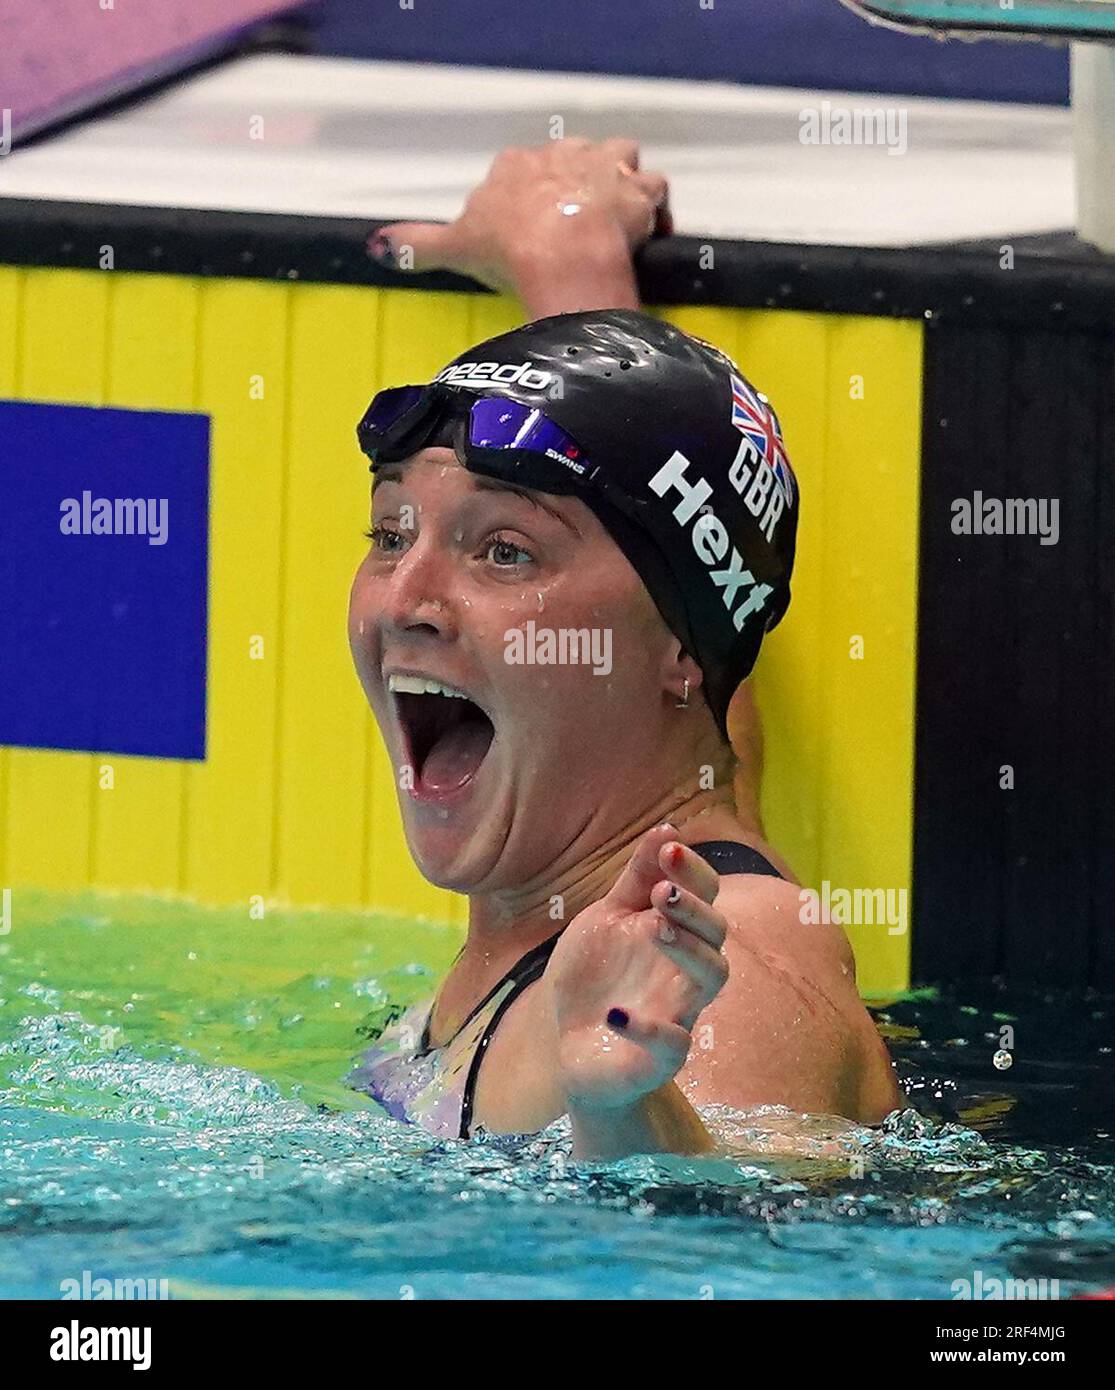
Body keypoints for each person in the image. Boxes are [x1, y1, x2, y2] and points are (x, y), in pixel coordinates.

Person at [348, 138, 904, 1160]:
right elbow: (696, 617)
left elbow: (736, 1264)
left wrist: (623, 1114)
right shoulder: (674, 800)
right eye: (390, 534)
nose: (405, 600)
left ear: (675, 651)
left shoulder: (732, 976)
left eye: (503, 552)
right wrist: (564, 249)